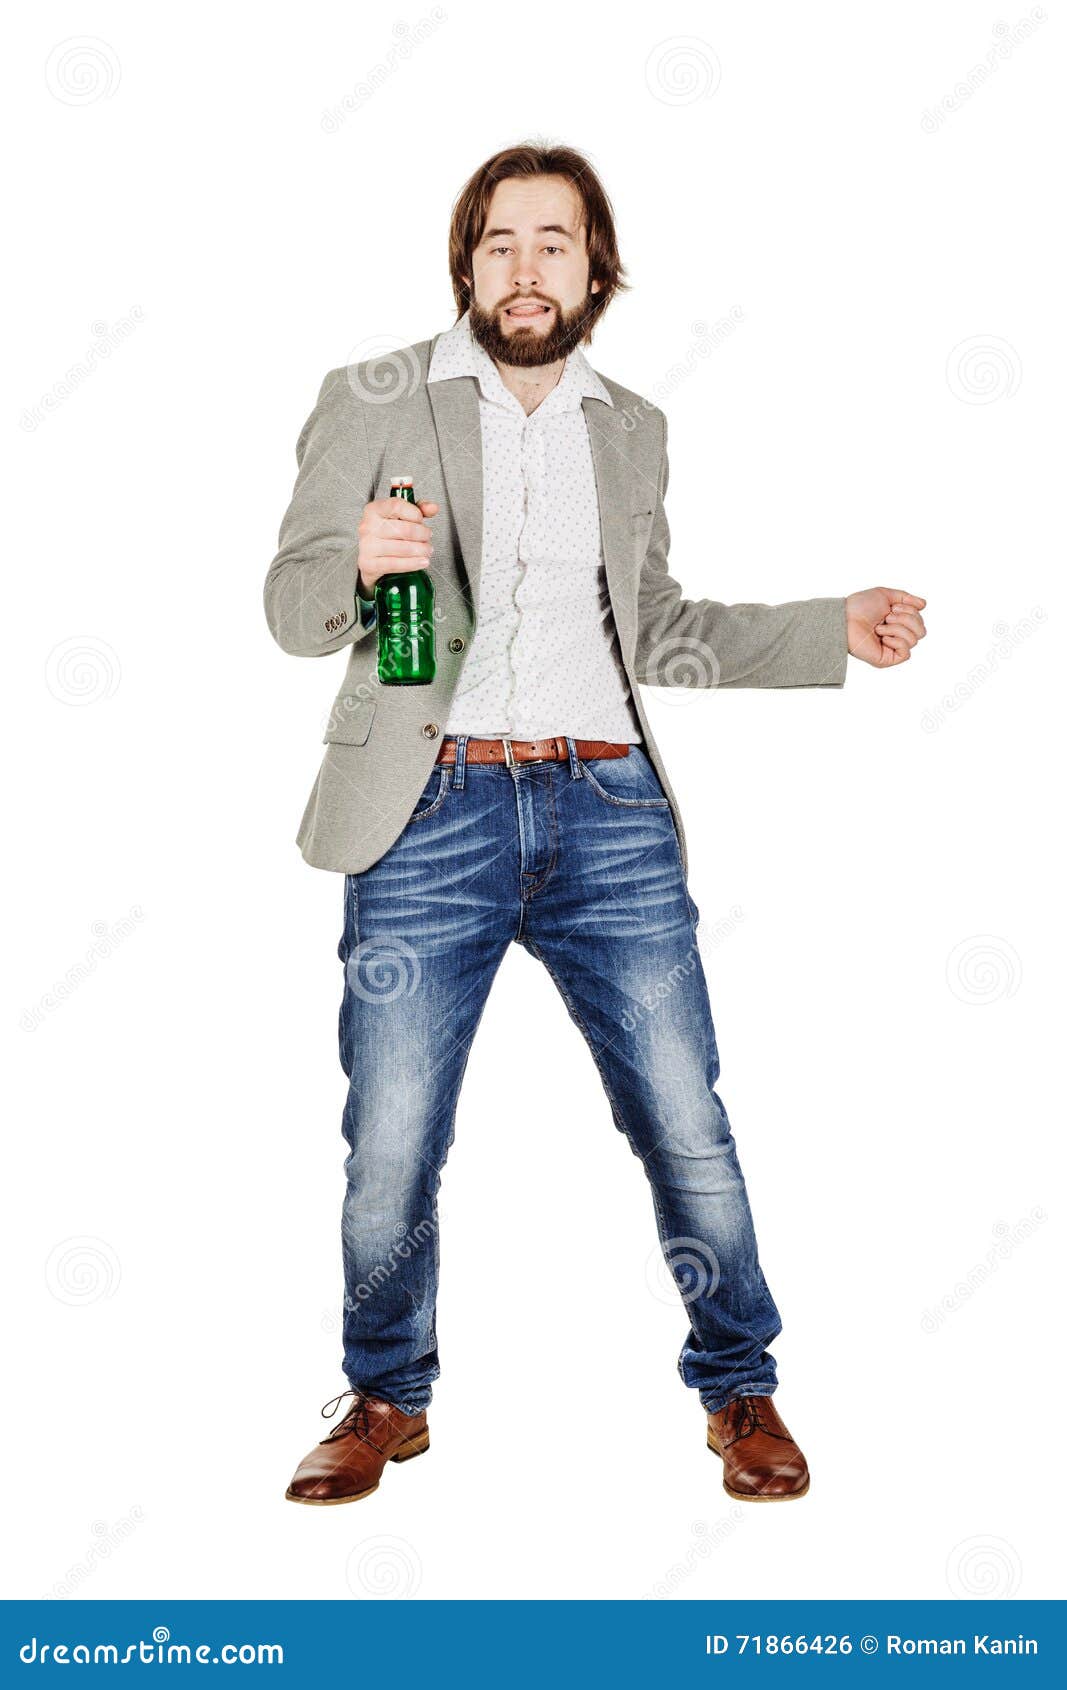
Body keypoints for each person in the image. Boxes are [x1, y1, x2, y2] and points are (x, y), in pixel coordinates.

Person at [264, 142, 927, 1507]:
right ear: (467, 265)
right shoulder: (373, 395)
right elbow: (290, 605)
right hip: (426, 808)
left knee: (684, 1115)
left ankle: (741, 1386)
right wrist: (355, 567)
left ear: (595, 267)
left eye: (553, 243)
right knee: (392, 1132)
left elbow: (663, 629)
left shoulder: (631, 427)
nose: (526, 269)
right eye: (500, 243)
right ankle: (388, 1395)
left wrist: (831, 629)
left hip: (607, 806)